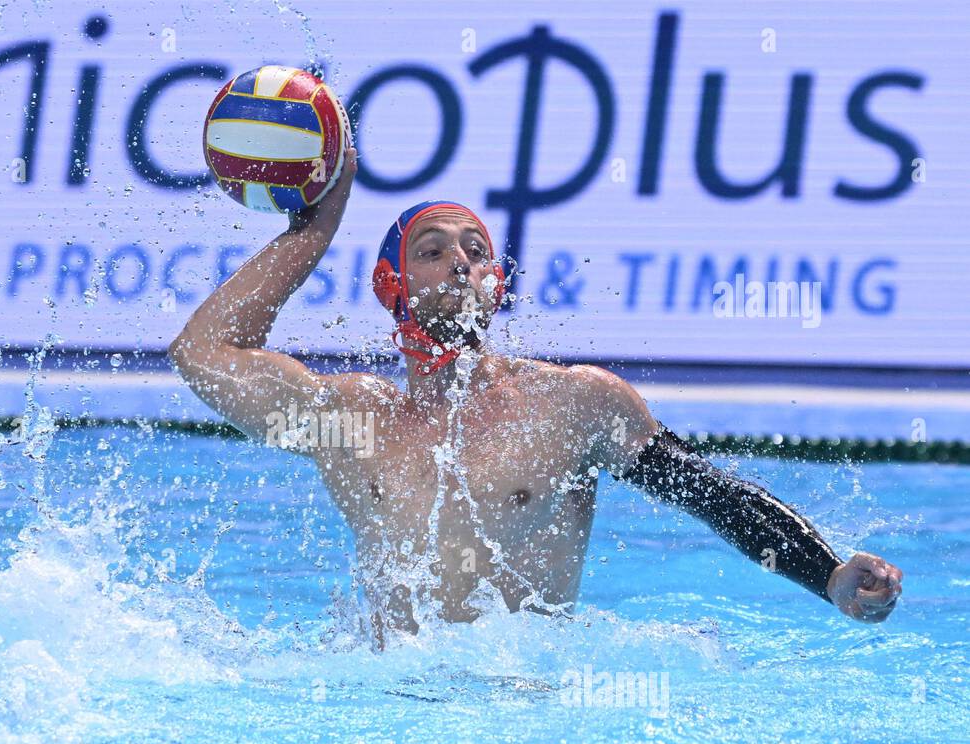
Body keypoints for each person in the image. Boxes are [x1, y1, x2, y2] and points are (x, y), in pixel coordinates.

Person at [170, 146, 904, 648]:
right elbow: (202, 354)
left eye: (476, 250)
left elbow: (709, 493)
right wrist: (318, 224)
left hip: (518, 719)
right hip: (380, 709)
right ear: (392, 287)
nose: (461, 260)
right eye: (432, 251)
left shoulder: (572, 407)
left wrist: (828, 574)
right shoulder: (352, 420)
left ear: (500, 283)